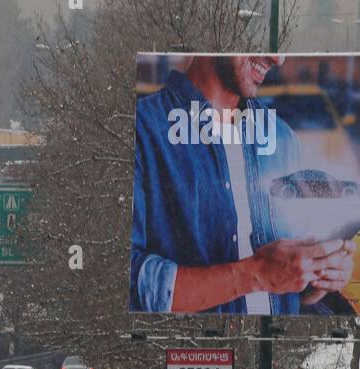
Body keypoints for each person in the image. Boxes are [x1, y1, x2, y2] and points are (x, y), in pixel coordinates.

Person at [131, 55, 355, 315]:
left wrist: (318, 275)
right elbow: (122, 283)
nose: (277, 58)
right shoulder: (141, 130)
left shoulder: (282, 137)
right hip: (200, 353)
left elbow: (288, 280)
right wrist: (255, 273)